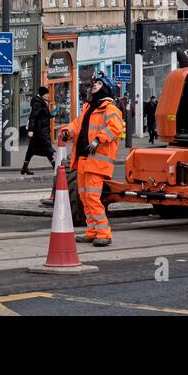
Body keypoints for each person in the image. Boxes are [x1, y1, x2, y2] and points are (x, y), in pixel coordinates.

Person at [58, 71, 125, 248]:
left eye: (99, 84)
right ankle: (92, 231)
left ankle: (104, 233)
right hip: (83, 159)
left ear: (107, 89)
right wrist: (67, 132)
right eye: (95, 83)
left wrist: (98, 139)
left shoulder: (110, 109)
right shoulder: (89, 107)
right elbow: (77, 125)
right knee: (85, 197)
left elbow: (116, 128)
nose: (94, 85)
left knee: (93, 198)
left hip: (97, 161)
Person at [21, 86, 56, 175]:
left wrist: (53, 114)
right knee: (48, 149)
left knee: (31, 150)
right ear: (42, 94)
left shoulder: (42, 102)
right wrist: (31, 130)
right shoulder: (37, 103)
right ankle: (55, 167)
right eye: (46, 94)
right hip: (40, 131)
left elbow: (44, 115)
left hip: (41, 130)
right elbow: (33, 117)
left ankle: (24, 168)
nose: (48, 95)